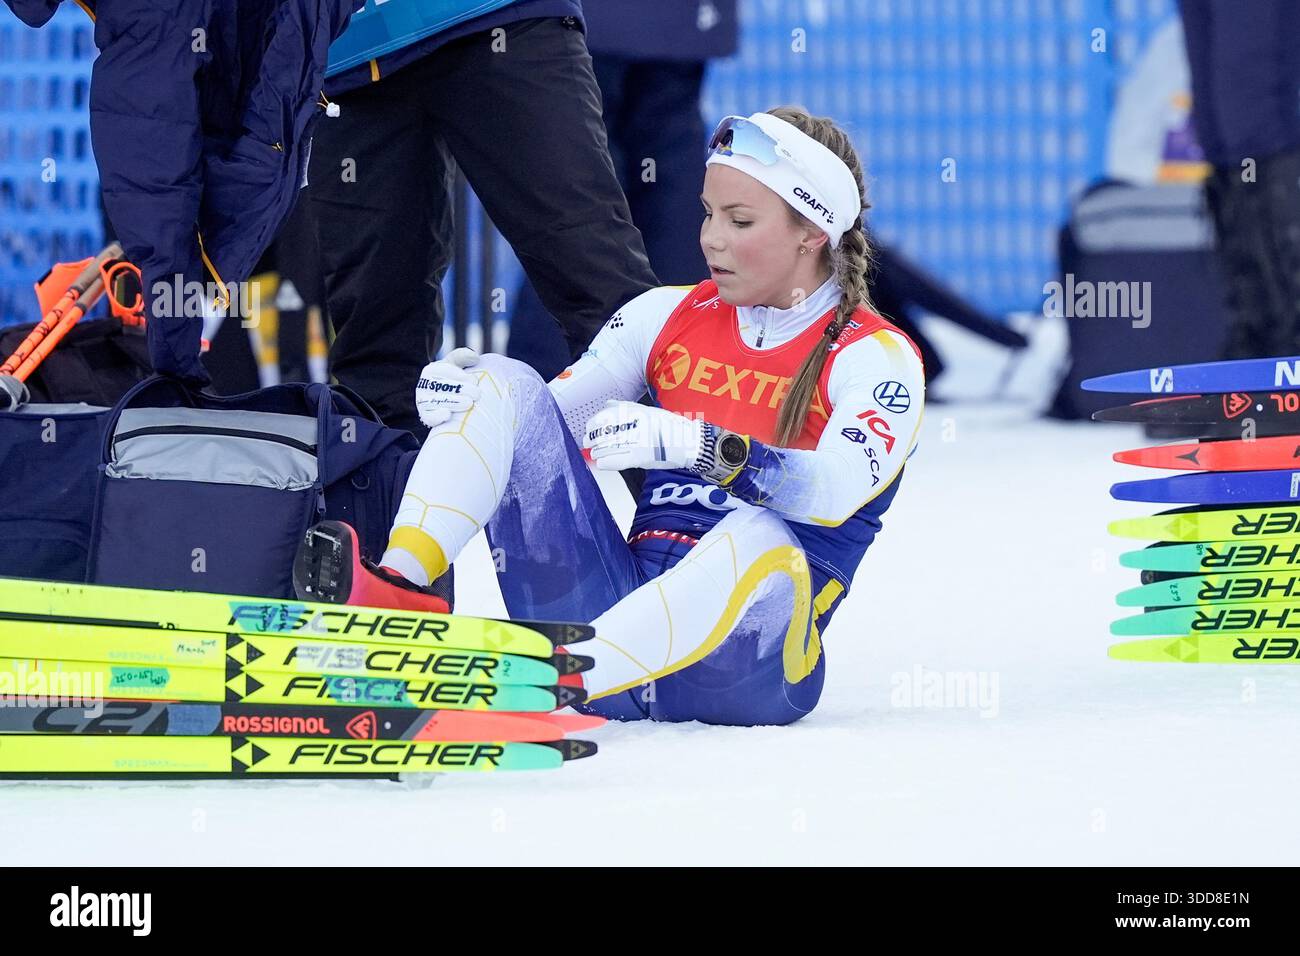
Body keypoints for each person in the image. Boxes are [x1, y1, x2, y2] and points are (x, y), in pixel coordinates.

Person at [294, 107, 926, 727]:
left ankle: (539, 682)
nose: (711, 238)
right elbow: (538, 427)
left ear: (813, 232)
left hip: (743, 672)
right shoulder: (663, 314)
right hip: (609, 641)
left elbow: (833, 489)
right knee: (502, 381)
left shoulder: (877, 358)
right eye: (708, 213)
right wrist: (465, 403)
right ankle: (398, 593)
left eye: (740, 220)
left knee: (761, 533)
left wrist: (705, 447)